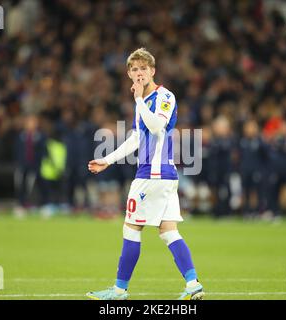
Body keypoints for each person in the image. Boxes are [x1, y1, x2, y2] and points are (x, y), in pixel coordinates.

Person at [86, 48, 204, 300]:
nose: (139, 73)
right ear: (129, 74)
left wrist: (139, 100)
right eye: (134, 69)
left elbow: (157, 125)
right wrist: (107, 160)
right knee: (168, 230)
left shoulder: (164, 96)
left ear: (153, 71)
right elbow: (137, 138)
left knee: (131, 227)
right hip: (163, 177)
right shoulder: (143, 102)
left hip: (153, 174)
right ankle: (193, 284)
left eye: (143, 68)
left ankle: (119, 290)